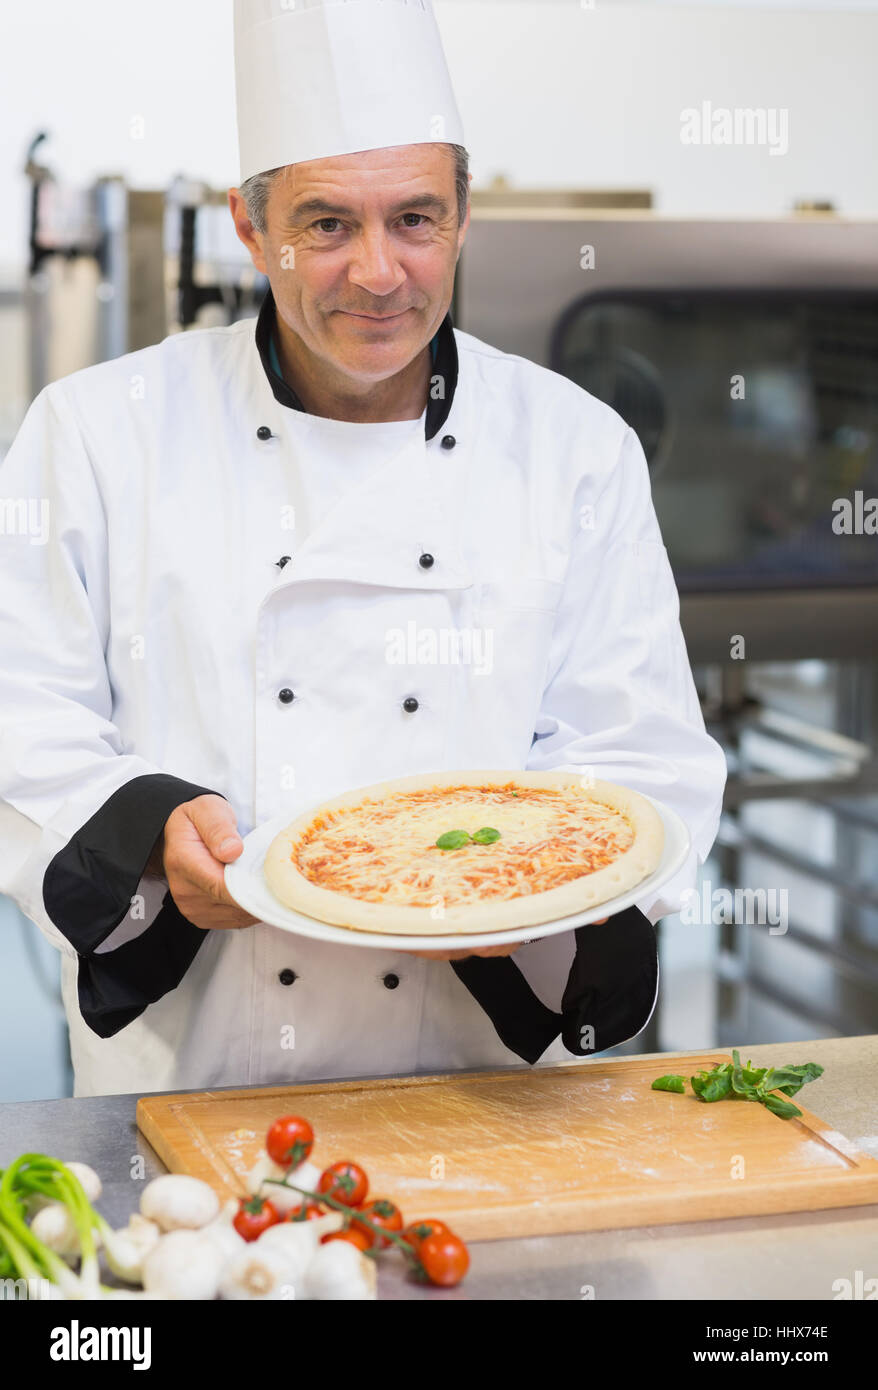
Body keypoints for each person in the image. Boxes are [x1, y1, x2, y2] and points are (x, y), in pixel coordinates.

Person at [0, 0, 726, 1096]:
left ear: (464, 217)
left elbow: (642, 760)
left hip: (490, 1095)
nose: (380, 274)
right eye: (328, 224)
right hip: (201, 1082)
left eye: (415, 220)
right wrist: (146, 840)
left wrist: (528, 902)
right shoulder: (97, 432)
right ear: (251, 230)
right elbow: (22, 716)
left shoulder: (575, 448)